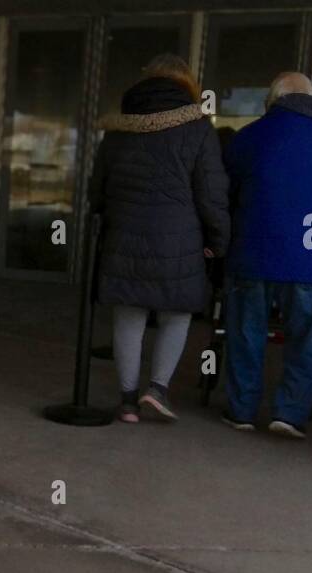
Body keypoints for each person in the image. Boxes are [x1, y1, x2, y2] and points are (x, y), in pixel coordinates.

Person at [89, 54, 229, 423]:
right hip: (179, 241)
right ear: (188, 86)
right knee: (176, 315)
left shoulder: (118, 130)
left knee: (128, 316)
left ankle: (127, 401)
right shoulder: (199, 128)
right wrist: (219, 240)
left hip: (124, 236)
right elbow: (211, 194)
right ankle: (158, 389)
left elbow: (97, 192)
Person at [221, 72, 312, 439]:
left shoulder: (246, 138)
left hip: (252, 252)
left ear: (272, 101)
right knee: (307, 339)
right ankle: (290, 413)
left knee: (245, 335)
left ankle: (241, 410)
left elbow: (228, 199)